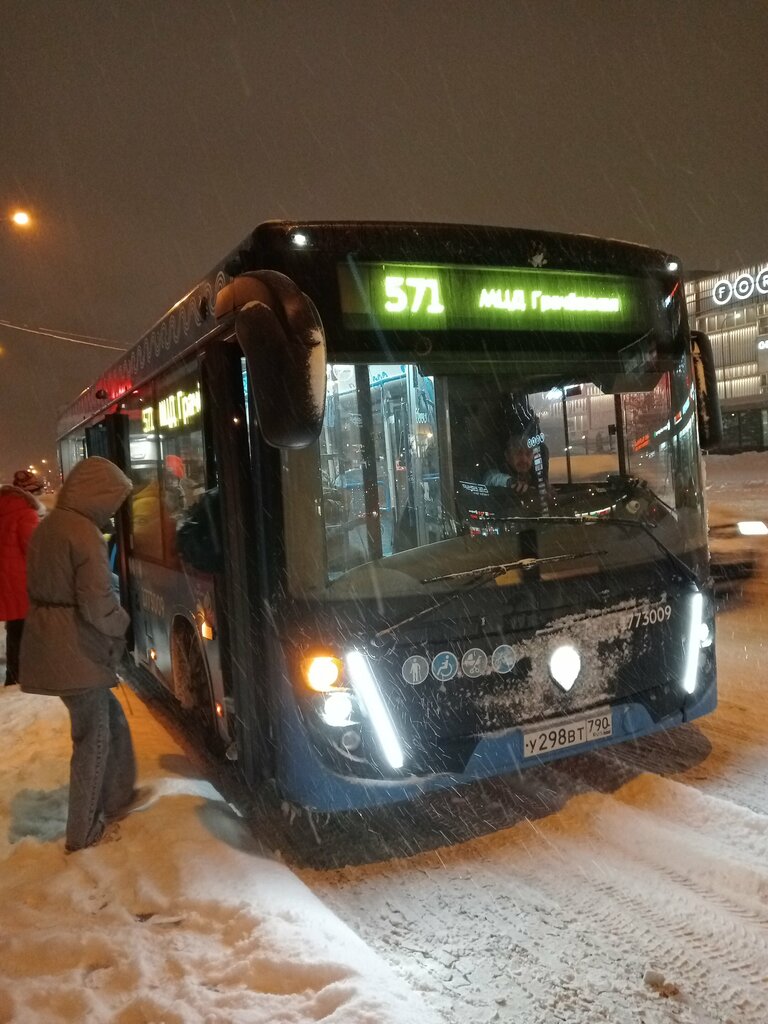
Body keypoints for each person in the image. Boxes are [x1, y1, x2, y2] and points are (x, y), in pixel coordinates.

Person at [19, 457, 141, 852]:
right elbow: (97, 604)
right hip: (75, 648)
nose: (113, 509)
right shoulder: (84, 533)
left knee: (110, 722)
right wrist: (123, 623)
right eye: (113, 499)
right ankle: (83, 833)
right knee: (93, 740)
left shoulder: (50, 525)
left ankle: (117, 797)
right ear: (99, 494)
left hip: (51, 644)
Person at [0, 470, 46, 685]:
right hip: (21, 581)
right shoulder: (26, 513)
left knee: (15, 627)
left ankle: (13, 674)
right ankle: (23, 675)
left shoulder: (5, 508)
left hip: (5, 579)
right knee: (26, 628)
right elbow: (34, 551)